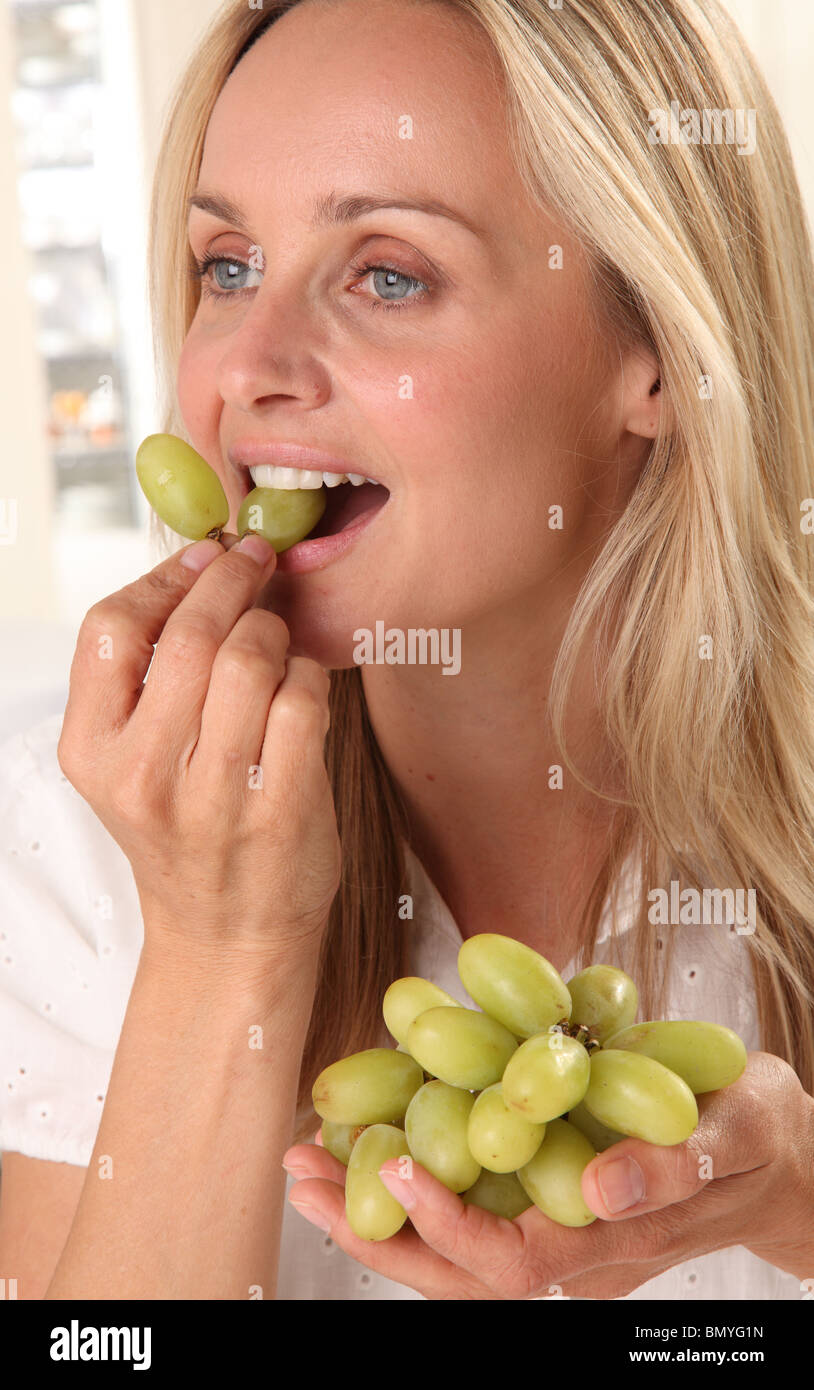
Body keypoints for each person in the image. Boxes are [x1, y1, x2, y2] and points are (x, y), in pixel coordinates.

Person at [1, 0, 813, 1301]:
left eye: (387, 272)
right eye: (226, 265)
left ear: (653, 353)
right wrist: (219, 953)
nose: (243, 367)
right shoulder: (68, 836)